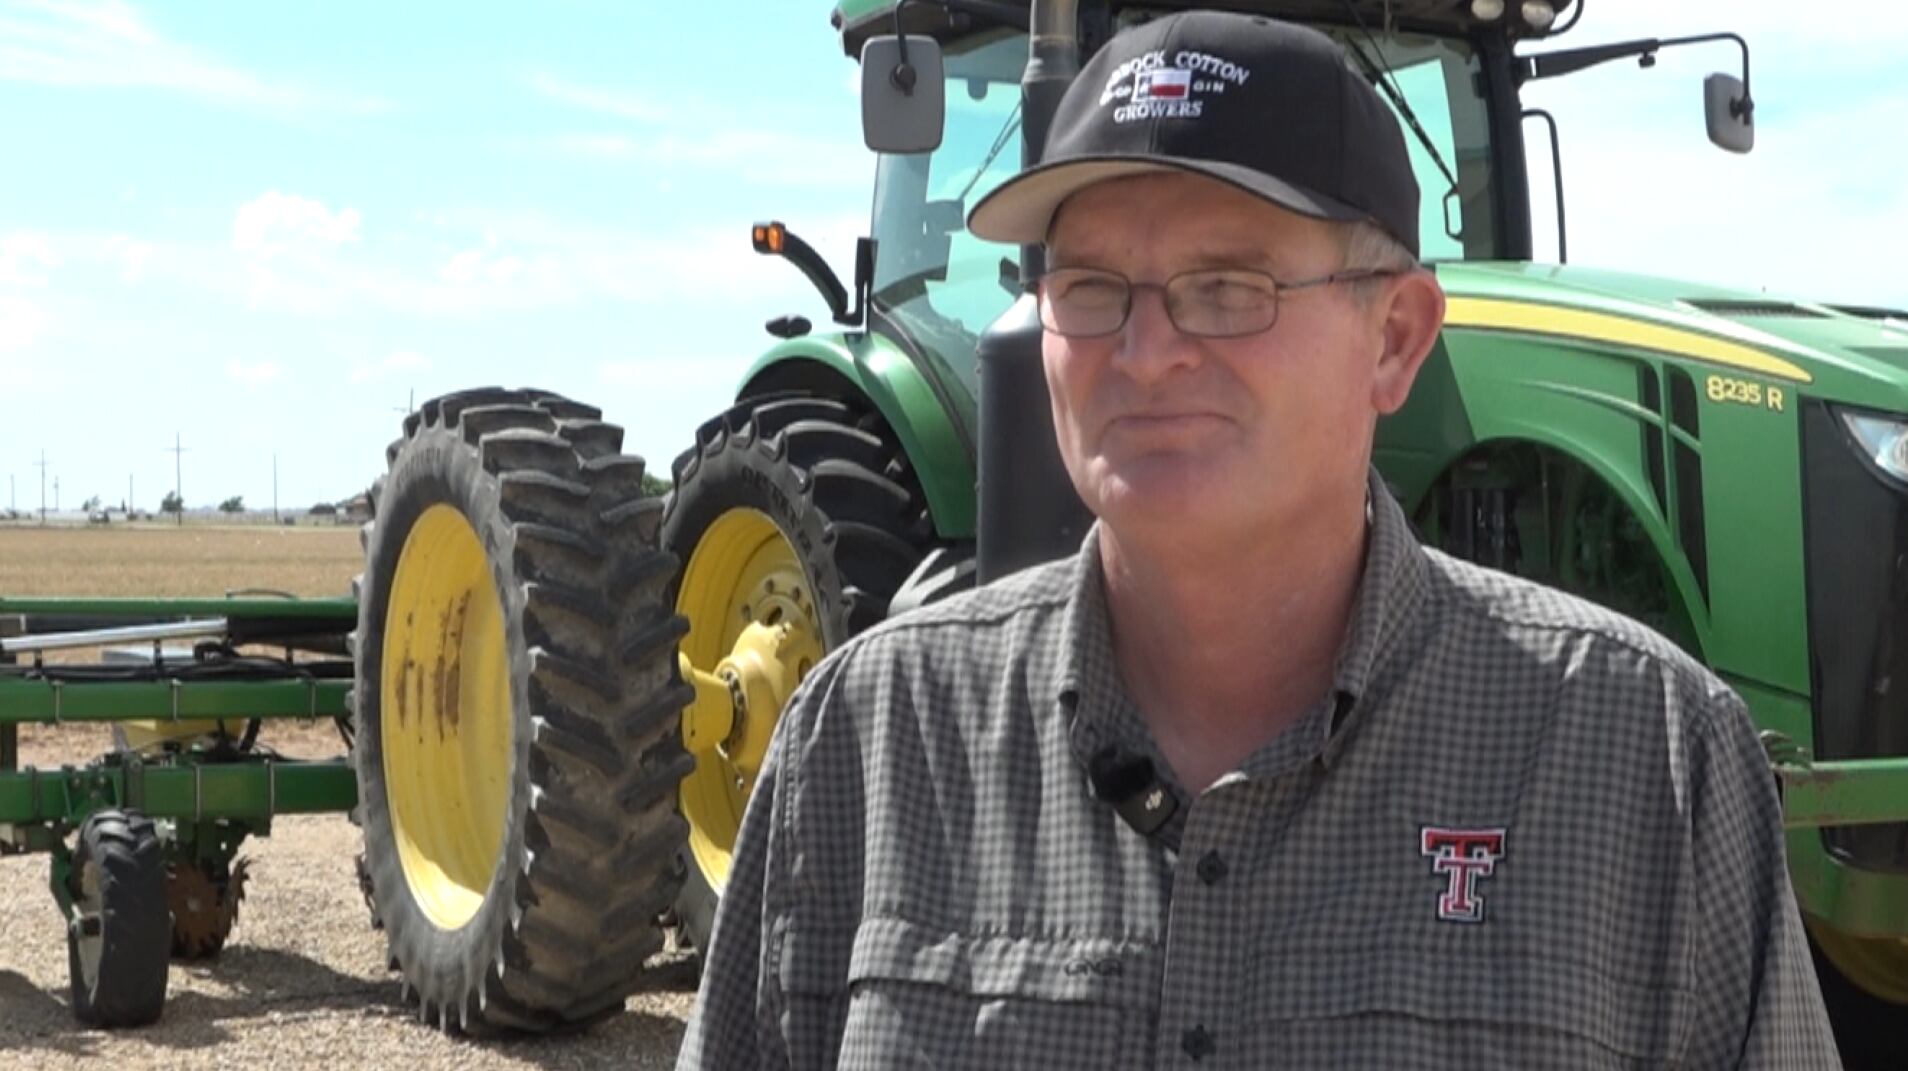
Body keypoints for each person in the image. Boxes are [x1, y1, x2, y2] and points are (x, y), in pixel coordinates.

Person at [679, 11, 1839, 1068]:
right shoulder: (865, 749)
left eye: (1227, 287)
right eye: (1088, 288)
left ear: (1397, 337)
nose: (1144, 351)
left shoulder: (1650, 762)